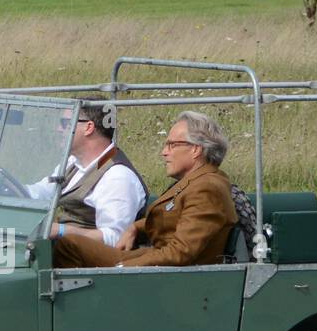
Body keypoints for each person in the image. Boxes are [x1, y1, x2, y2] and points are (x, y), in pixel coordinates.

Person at [54, 111, 237, 269]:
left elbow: (181, 252)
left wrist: (125, 267)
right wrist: (135, 227)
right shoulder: (195, 181)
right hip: (156, 262)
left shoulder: (206, 188)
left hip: (168, 276)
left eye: (172, 145)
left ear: (196, 149)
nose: (164, 152)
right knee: (67, 243)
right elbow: (172, 215)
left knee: (66, 245)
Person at [30, 103, 148, 248]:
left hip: (87, 263)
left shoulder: (117, 177)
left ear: (88, 127)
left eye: (65, 123)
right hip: (64, 252)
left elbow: (116, 239)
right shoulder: (72, 162)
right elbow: (42, 191)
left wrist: (61, 231)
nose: (59, 129)